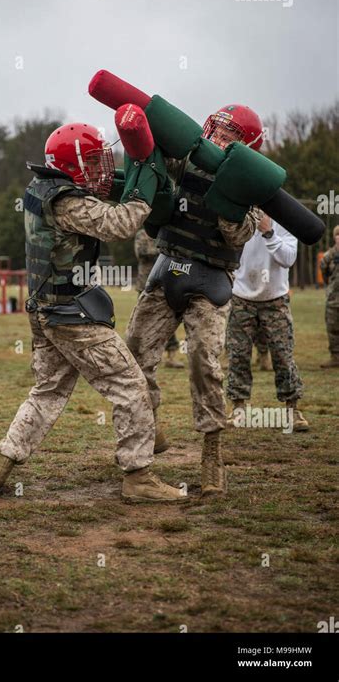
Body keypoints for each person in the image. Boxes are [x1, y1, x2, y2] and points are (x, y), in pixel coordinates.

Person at [0, 122, 185, 503]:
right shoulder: (67, 201)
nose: (101, 170)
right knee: (131, 386)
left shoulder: (42, 188)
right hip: (72, 317)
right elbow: (119, 223)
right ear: (71, 165)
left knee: (47, 392)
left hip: (46, 311)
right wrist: (142, 192)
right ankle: (138, 477)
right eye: (92, 162)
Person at [126, 104, 264, 496]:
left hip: (210, 281)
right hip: (167, 269)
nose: (217, 139)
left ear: (246, 146)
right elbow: (156, 177)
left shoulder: (251, 183)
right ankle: (149, 430)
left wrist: (229, 196)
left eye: (228, 135)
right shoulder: (184, 161)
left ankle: (212, 451)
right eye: (216, 130)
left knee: (204, 363)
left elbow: (239, 235)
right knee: (133, 355)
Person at [226, 214, 308, 430]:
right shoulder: (239, 215)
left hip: (275, 300)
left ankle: (293, 411)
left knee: (283, 356)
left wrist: (268, 232)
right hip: (241, 299)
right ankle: (239, 409)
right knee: (238, 355)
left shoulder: (285, 220)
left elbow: (288, 258)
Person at [134, 228, 184, 369]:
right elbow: (140, 253)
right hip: (146, 283)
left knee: (169, 321)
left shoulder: (166, 232)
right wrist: (162, 251)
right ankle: (141, 356)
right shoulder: (142, 234)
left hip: (165, 282)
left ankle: (171, 357)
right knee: (142, 323)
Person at [320, 225, 339, 368]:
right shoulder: (328, 256)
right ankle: (335, 357)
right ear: (334, 237)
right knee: (332, 329)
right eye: (338, 235)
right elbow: (325, 275)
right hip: (333, 299)